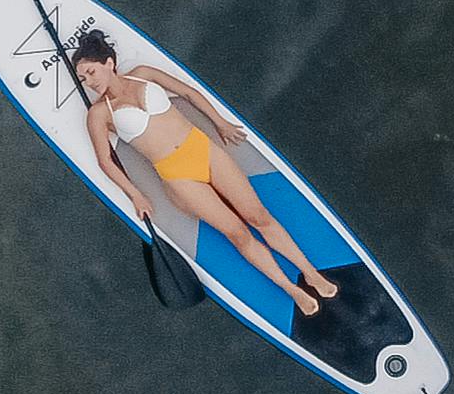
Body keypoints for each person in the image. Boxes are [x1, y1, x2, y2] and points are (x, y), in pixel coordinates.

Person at [70, 27, 337, 317]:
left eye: (91, 72)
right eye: (83, 79)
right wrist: (135, 195)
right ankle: (291, 289)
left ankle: (311, 273)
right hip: (177, 174)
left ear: (109, 63)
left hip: (202, 149)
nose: (89, 82)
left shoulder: (143, 73)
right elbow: (105, 160)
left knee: (258, 215)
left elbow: (186, 92)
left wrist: (220, 122)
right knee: (237, 233)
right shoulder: (99, 114)